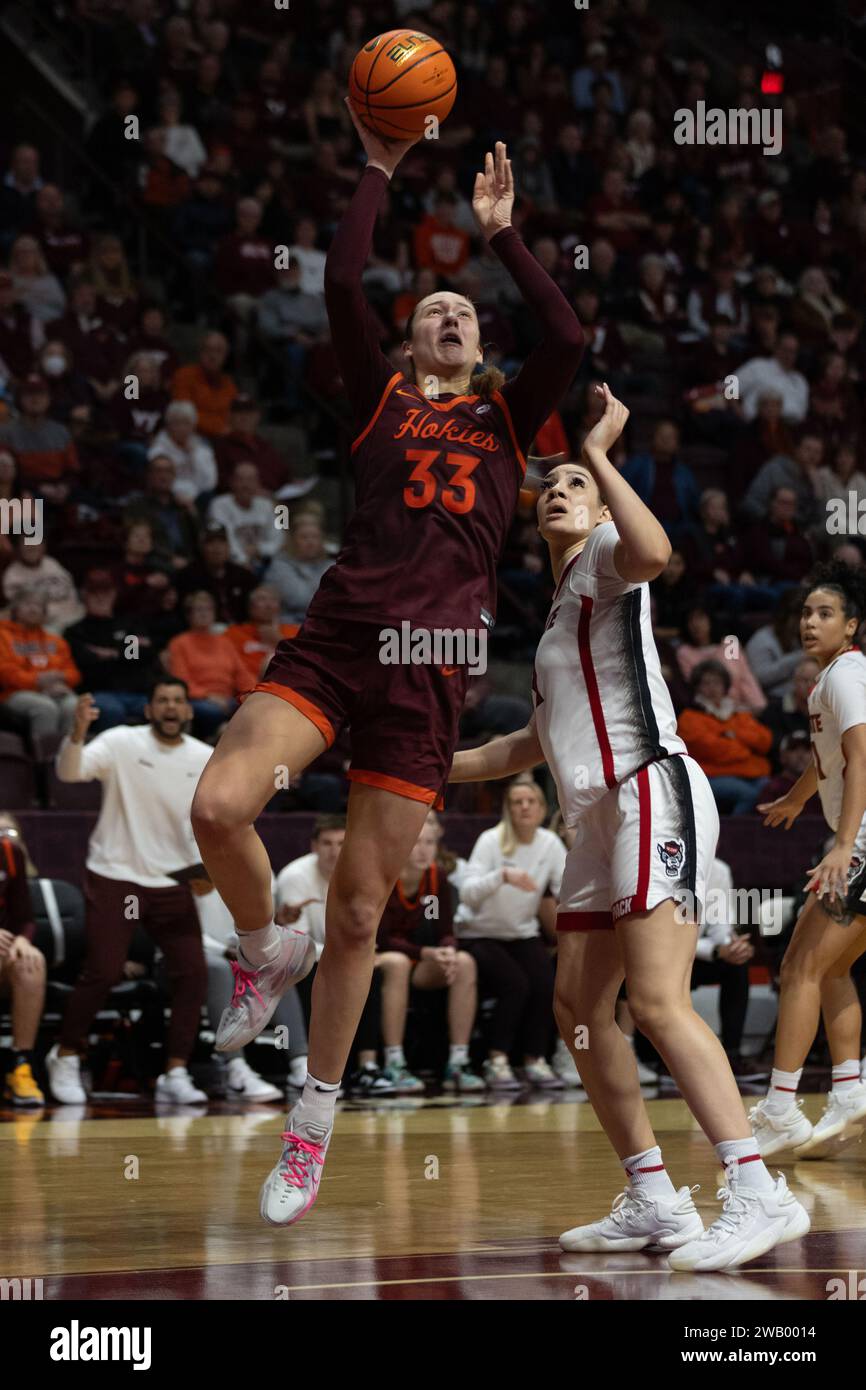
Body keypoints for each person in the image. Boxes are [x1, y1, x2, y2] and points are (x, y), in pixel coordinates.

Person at [191, 122, 585, 1229]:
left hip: (431, 674)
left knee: (362, 911)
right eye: (429, 317)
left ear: (478, 341)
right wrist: (377, 162)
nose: (448, 318)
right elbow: (335, 279)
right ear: (409, 350)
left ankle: (308, 1127)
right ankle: (268, 948)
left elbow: (564, 326)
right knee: (221, 802)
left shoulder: (509, 421)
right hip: (335, 641)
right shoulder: (377, 401)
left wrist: (503, 240)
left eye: (460, 313)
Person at [450, 385, 808, 1271]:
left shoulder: (611, 552)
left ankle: (759, 1191)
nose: (560, 491)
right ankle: (653, 1195)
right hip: (593, 817)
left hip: (650, 789)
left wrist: (603, 452)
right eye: (555, 486)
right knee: (578, 1009)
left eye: (576, 484)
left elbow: (658, 548)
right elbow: (522, 744)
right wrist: (422, 767)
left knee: (654, 1001)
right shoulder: (553, 620)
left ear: (601, 504)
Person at [46, 683, 212, 1106]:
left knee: (193, 973)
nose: (171, 707)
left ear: (189, 711)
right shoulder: (121, 742)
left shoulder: (204, 757)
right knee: (104, 969)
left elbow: (215, 820)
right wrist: (78, 733)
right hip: (116, 872)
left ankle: (175, 1071)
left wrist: (205, 867)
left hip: (174, 878)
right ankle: (65, 1054)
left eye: (178, 700)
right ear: (149, 708)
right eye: (163, 700)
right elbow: (70, 772)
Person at [753, 562, 866, 1159]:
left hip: (865, 843)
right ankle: (848, 1092)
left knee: (798, 969)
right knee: (832, 968)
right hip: (860, 839)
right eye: (805, 612)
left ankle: (780, 1109)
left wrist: (845, 846)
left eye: (824, 613)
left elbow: (861, 758)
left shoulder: (847, 676)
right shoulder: (832, 680)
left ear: (852, 626)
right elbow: (830, 761)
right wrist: (797, 800)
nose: (810, 622)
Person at [456, 777, 565, 1089]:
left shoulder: (550, 843)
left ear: (543, 808)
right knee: (514, 984)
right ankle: (497, 1060)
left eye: (531, 802)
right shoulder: (491, 840)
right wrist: (502, 876)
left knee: (546, 983)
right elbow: (467, 893)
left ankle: (535, 1060)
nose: (524, 807)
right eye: (517, 802)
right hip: (479, 933)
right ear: (508, 809)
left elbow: (566, 887)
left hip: (521, 932)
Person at [275, 816, 393, 1098]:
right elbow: (297, 943)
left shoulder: (363, 874)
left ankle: (368, 1066)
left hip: (341, 955)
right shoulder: (295, 876)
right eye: (326, 843)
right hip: (307, 960)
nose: (333, 850)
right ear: (314, 846)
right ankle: (315, 1072)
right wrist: (345, 956)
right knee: (310, 973)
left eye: (341, 843)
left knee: (371, 974)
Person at [377, 814, 485, 1095]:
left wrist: (447, 949)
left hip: (422, 959)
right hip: (384, 958)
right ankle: (394, 1063)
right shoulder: (385, 876)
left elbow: (444, 929)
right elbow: (382, 938)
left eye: (429, 842)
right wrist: (425, 952)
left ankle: (458, 1063)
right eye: (416, 843)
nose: (424, 849)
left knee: (464, 963)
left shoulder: (436, 876)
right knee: (399, 964)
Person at [677, 661, 773, 814]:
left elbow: (765, 741)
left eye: (717, 682)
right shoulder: (689, 717)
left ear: (725, 686)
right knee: (748, 794)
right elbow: (711, 749)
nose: (712, 688)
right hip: (710, 776)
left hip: (750, 773)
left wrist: (736, 736)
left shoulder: (738, 714)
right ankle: (733, 836)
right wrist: (745, 749)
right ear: (697, 688)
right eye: (706, 683)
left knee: (771, 788)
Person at [0, 820, 46, 1106]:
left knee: (33, 962)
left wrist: (23, 940)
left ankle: (21, 1065)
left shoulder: (8, 852)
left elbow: (26, 918)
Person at [0, 590, 80, 738]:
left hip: (55, 690)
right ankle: (44, 759)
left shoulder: (55, 640)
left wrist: (61, 678)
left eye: (39, 605)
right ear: (16, 607)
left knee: (74, 705)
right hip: (14, 692)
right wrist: (38, 681)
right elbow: (5, 673)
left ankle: (69, 757)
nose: (34, 609)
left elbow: (74, 673)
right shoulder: (3, 635)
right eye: (28, 604)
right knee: (45, 708)